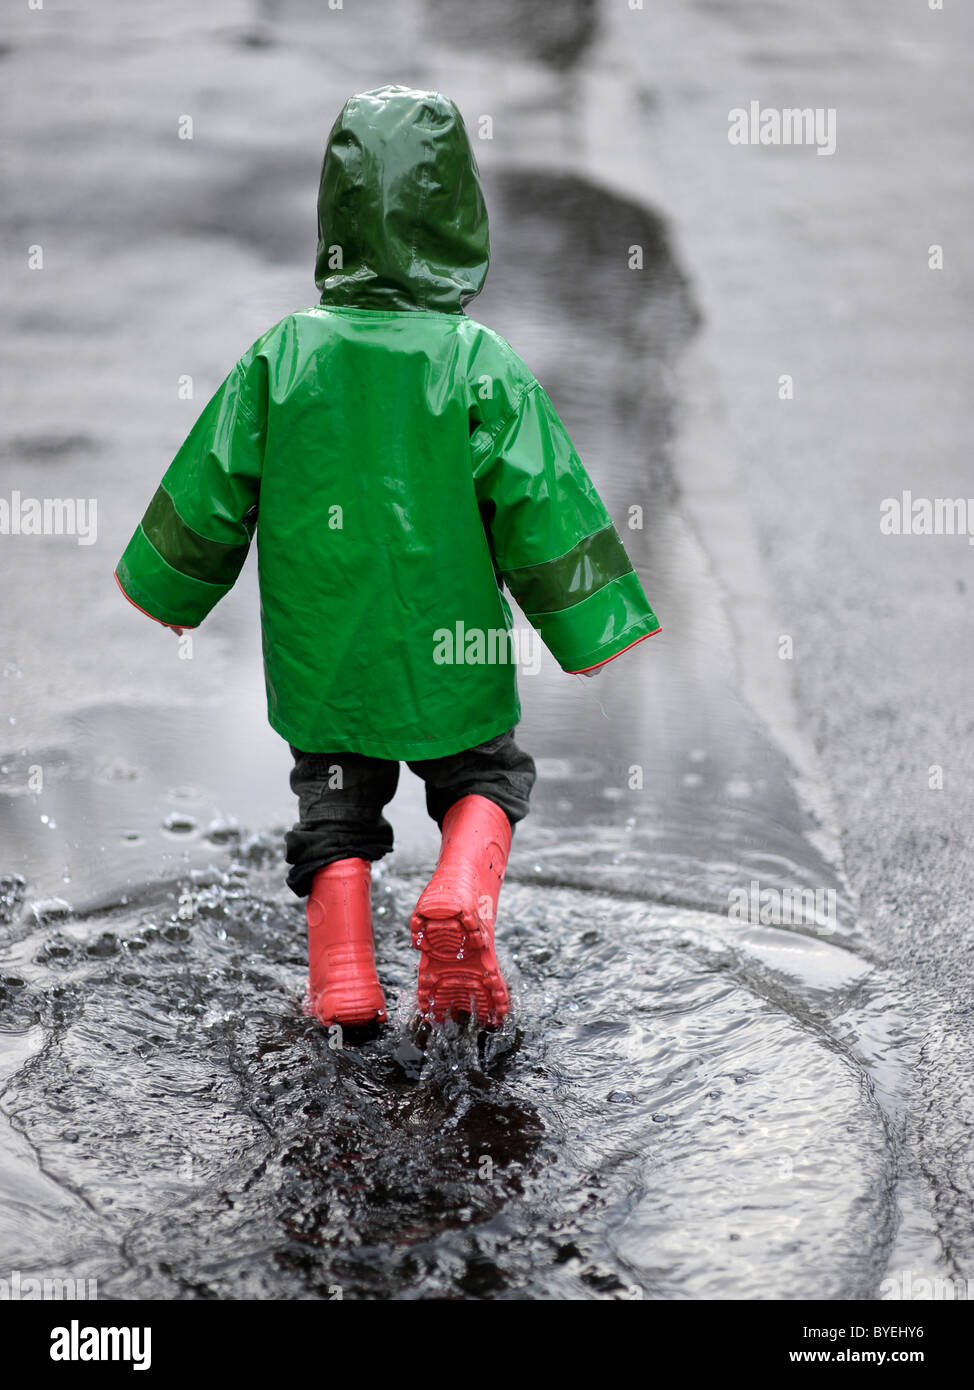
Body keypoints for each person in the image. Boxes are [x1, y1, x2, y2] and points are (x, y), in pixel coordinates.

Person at [114, 85, 661, 1032]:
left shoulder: (284, 355)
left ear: (337, 214)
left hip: (325, 654)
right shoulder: (478, 362)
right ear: (456, 216)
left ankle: (344, 979)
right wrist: (592, 619)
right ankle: (458, 890)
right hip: (452, 649)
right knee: (484, 778)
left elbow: (214, 482)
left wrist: (169, 580)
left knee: (331, 805)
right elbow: (541, 501)